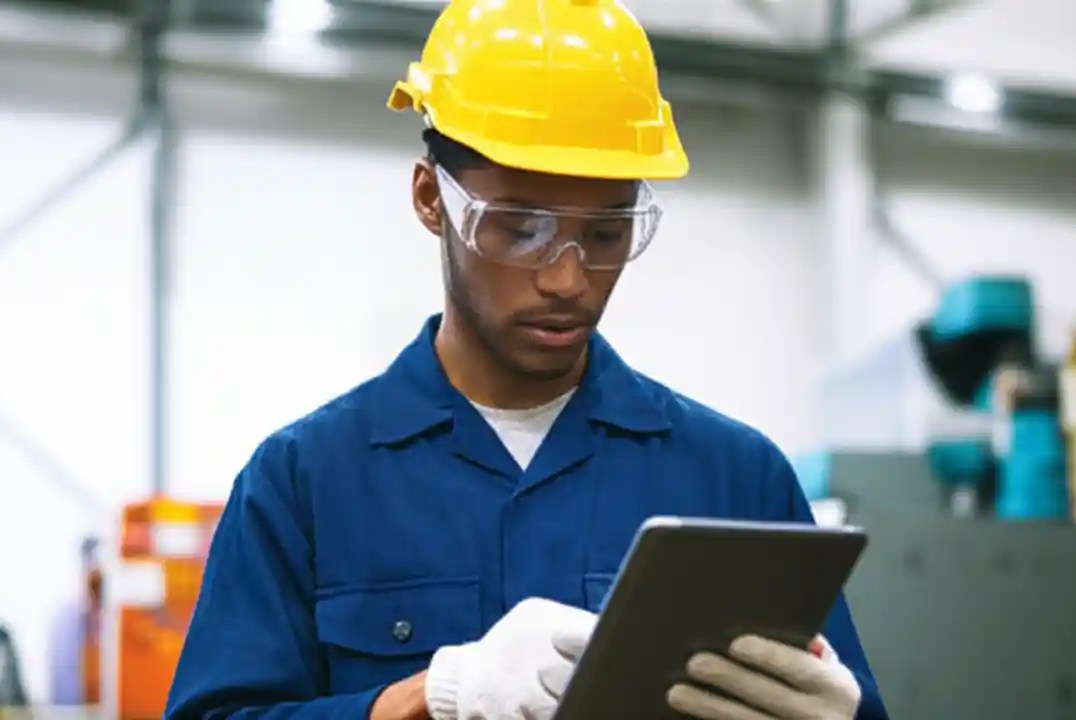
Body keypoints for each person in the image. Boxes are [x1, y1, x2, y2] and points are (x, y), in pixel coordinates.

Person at [164, 0, 889, 718]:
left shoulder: (737, 481)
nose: (567, 279)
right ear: (430, 199)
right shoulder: (304, 483)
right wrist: (426, 699)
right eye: (519, 228)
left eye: (607, 233)